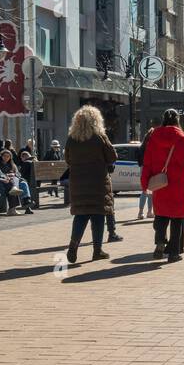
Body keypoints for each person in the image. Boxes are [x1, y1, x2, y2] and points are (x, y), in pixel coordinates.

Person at [141, 109, 184, 262]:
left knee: (161, 215)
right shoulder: (182, 138)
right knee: (177, 218)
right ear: (178, 120)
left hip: (160, 184)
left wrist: (144, 183)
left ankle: (160, 242)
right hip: (178, 184)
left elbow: (147, 162)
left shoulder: (154, 136)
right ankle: (174, 253)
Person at [64, 105, 116, 263]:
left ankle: (74, 245)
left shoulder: (72, 139)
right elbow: (112, 156)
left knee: (81, 215)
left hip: (78, 183)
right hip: (98, 182)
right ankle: (97, 250)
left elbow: (67, 159)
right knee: (98, 216)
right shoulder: (99, 136)